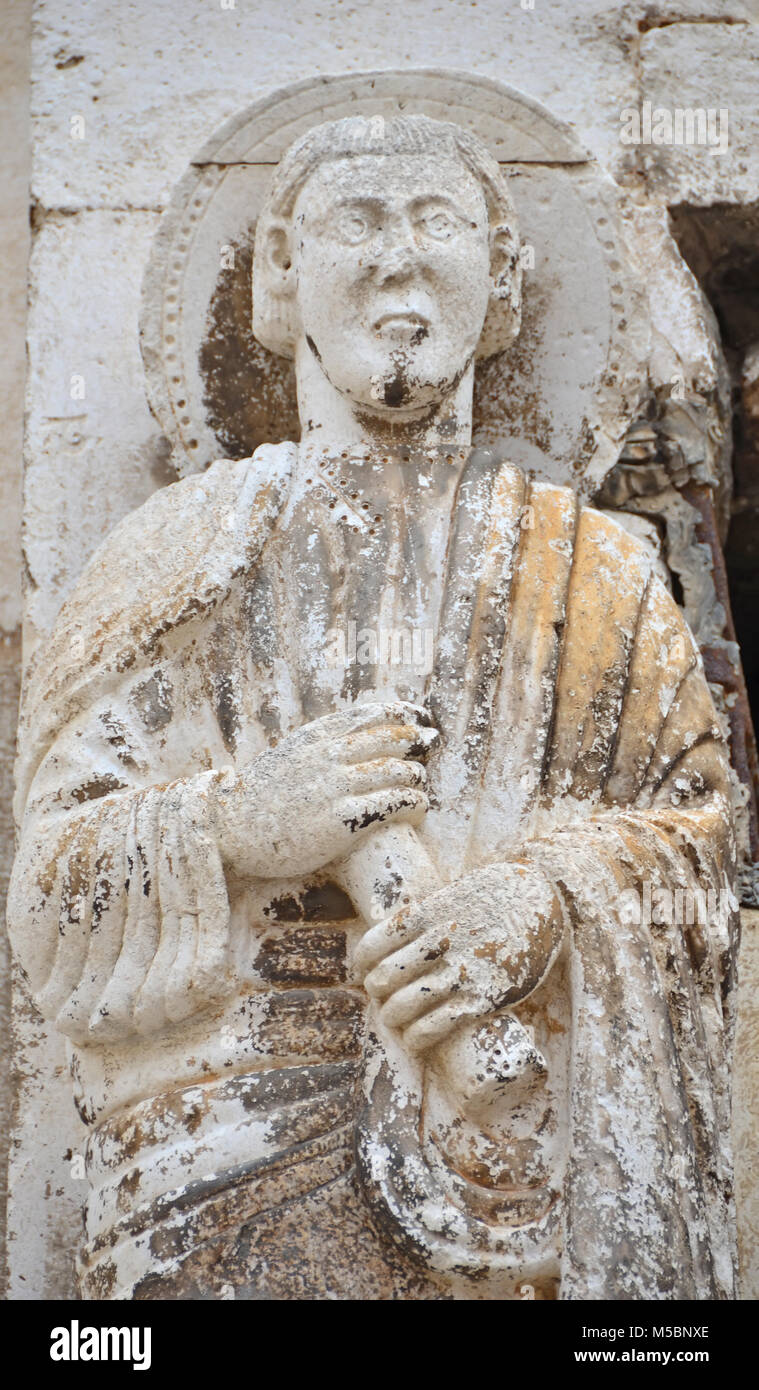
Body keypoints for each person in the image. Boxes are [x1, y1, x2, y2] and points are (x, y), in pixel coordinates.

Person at [8, 114, 739, 1300]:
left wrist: (543, 901)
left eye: (436, 222)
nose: (399, 257)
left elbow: (699, 844)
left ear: (501, 279)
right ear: (284, 275)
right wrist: (241, 821)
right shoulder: (175, 556)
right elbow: (46, 894)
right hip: (212, 1169)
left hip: (514, 1167)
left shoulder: (595, 573)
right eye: (358, 221)